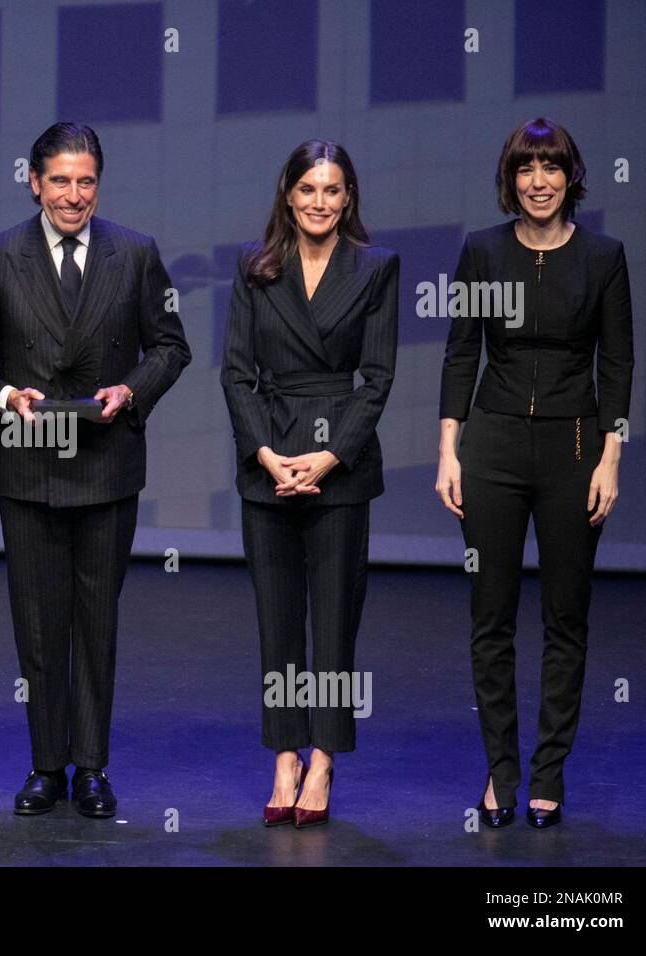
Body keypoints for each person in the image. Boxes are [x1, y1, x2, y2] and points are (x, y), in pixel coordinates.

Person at [436, 117, 632, 830]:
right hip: (489, 449)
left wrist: (612, 455)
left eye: (551, 168)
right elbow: (461, 354)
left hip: (575, 450)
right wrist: (447, 450)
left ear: (571, 177)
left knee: (565, 618)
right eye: (526, 168)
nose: (539, 181)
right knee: (489, 617)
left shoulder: (603, 257)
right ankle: (501, 772)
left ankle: (547, 773)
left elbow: (617, 361)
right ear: (510, 180)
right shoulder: (482, 253)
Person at [0, 123, 190, 817]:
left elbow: (170, 347)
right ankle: (46, 766)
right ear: (34, 181)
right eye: (59, 181)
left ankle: (91, 767)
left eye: (86, 182)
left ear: (97, 185)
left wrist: (130, 390)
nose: (73, 195)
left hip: (107, 466)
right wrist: (3, 393)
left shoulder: (134, 253)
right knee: (39, 626)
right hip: (29, 469)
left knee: (95, 622)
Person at [221, 140, 398, 828]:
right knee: (278, 625)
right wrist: (267, 455)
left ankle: (324, 757)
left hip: (340, 467)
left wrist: (328, 458)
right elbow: (236, 372)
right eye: (308, 190)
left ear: (347, 197)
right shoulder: (256, 267)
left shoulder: (377, 268)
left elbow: (377, 377)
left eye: (333, 190)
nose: (320, 202)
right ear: (287, 195)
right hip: (267, 458)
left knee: (333, 625)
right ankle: (284, 756)